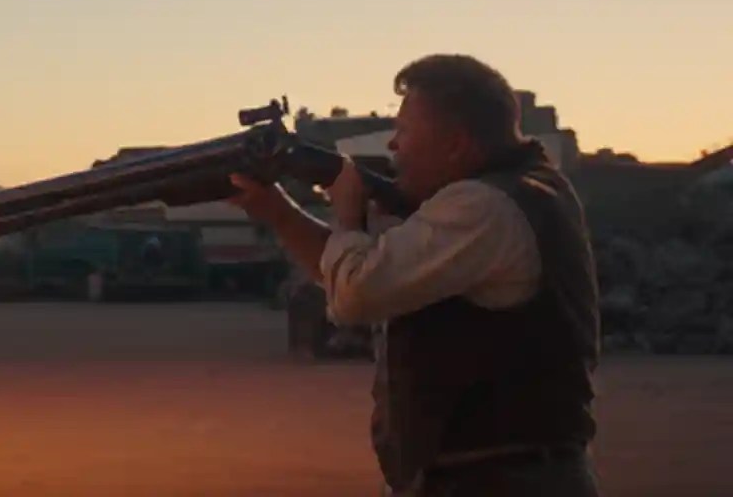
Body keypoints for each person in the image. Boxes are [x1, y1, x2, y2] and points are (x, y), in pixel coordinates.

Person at [228, 54, 602, 496]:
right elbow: (364, 280)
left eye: (403, 132)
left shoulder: (483, 206)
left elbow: (356, 296)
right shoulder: (520, 191)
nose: (393, 147)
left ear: (457, 145)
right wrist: (278, 213)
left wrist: (348, 211)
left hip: (497, 480)